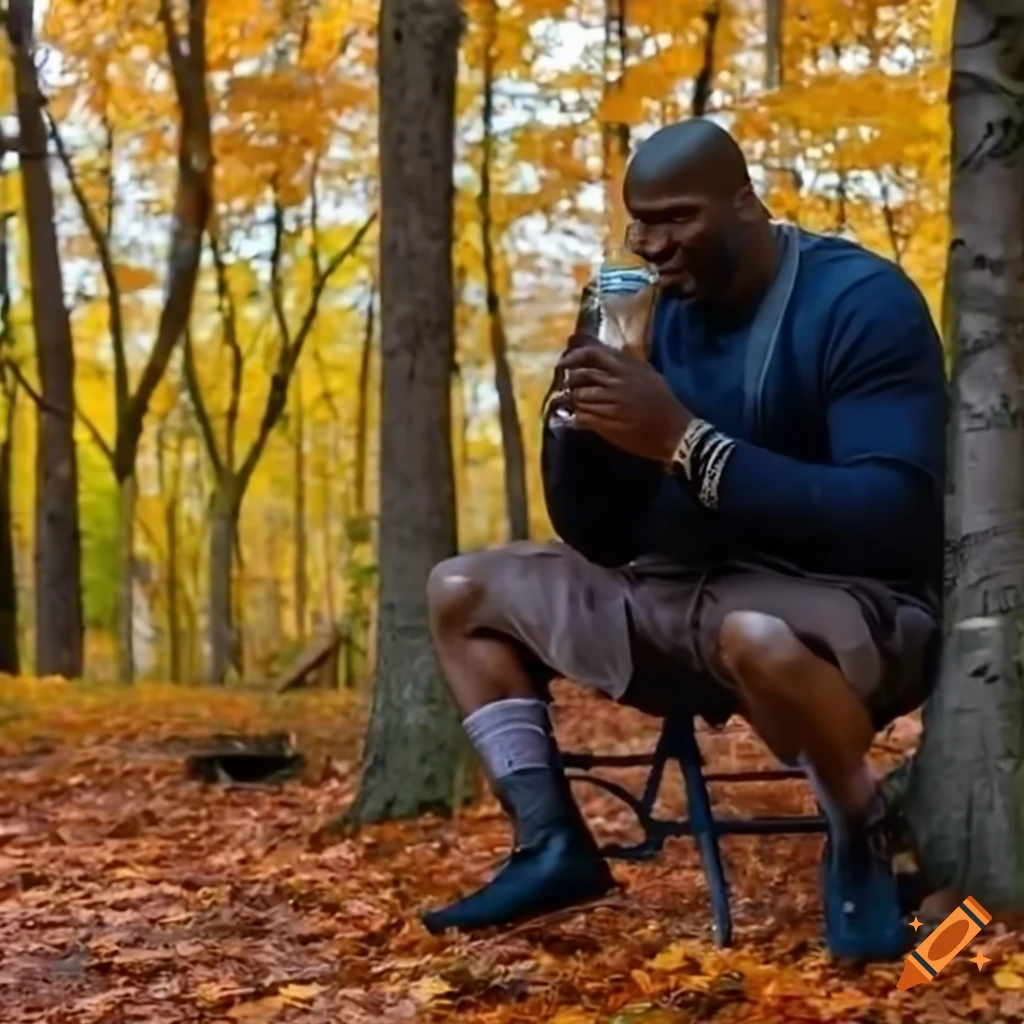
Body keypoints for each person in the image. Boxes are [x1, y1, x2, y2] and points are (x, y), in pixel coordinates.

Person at [420, 118, 946, 961]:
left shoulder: (857, 301)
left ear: (745, 204)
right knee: (460, 591)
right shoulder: (635, 304)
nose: (655, 245)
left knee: (758, 638)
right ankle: (550, 843)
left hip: (841, 606)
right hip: (667, 595)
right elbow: (593, 533)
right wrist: (582, 425)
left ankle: (864, 826)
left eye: (678, 219)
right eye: (641, 223)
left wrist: (683, 441)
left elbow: (892, 516)